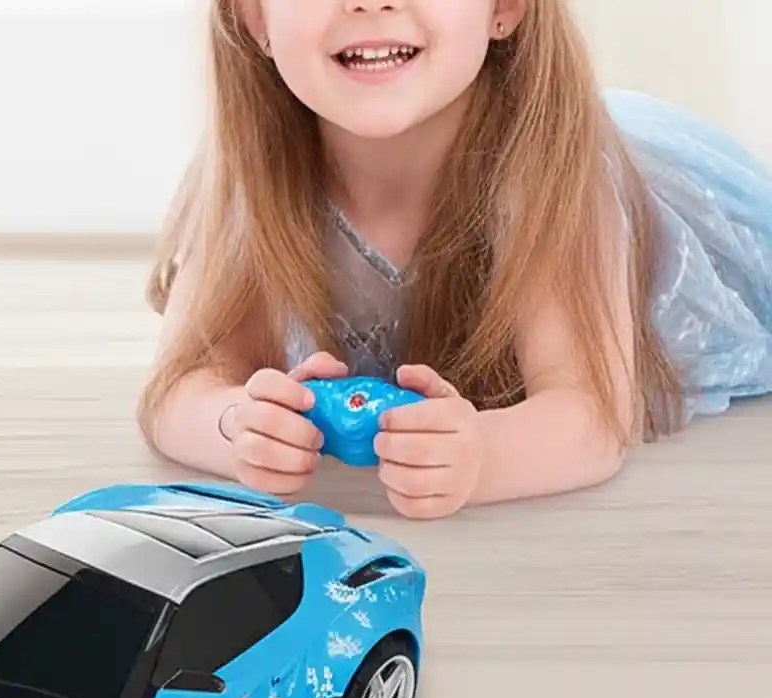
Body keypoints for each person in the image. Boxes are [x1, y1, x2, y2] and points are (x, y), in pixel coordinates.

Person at [135, 0, 772, 519]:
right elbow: (177, 388)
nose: (370, 3)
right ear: (254, 16)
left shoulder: (551, 175)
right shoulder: (251, 175)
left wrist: (483, 457)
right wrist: (235, 427)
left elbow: (590, 416)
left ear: (506, 7)